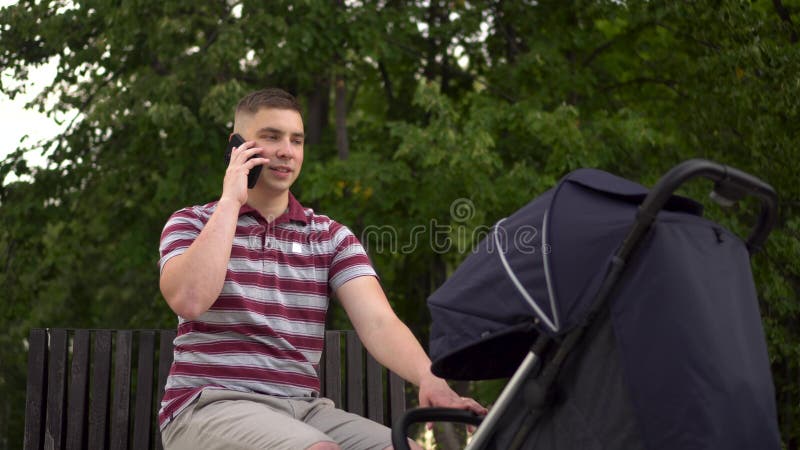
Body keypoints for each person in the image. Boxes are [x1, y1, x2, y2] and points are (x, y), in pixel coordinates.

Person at [157, 88, 486, 450]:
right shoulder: (193, 222)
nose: (287, 150)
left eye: (296, 140)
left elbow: (379, 322)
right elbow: (189, 299)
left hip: (304, 411)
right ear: (237, 147)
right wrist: (230, 202)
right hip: (209, 407)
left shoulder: (330, 236)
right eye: (271, 137)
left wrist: (430, 378)